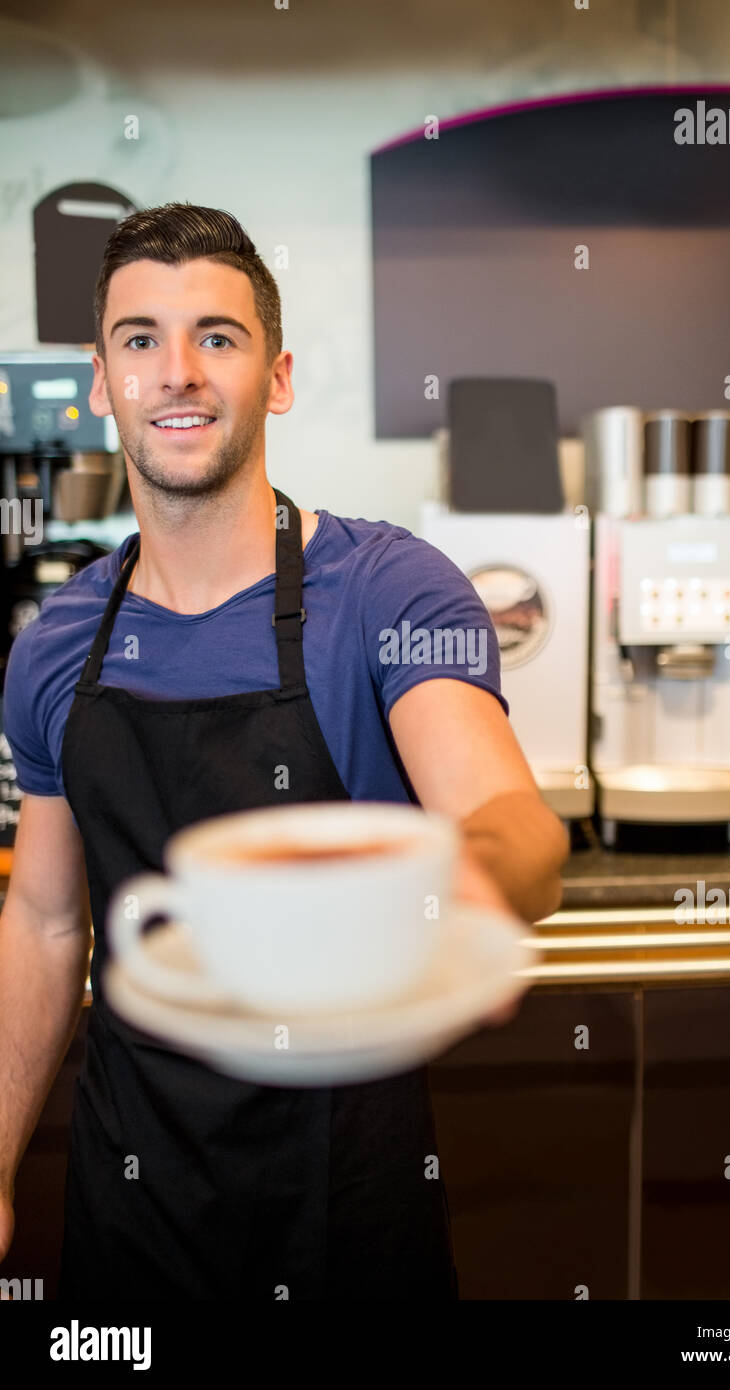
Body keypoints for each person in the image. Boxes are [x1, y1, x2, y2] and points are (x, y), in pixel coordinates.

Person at [0, 203, 569, 1300]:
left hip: (345, 1196)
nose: (177, 372)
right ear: (101, 378)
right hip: (134, 1208)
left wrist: (469, 872)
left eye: (217, 336)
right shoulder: (58, 643)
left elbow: (515, 826)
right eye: (139, 340)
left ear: (278, 377)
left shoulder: (387, 588)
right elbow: (45, 917)